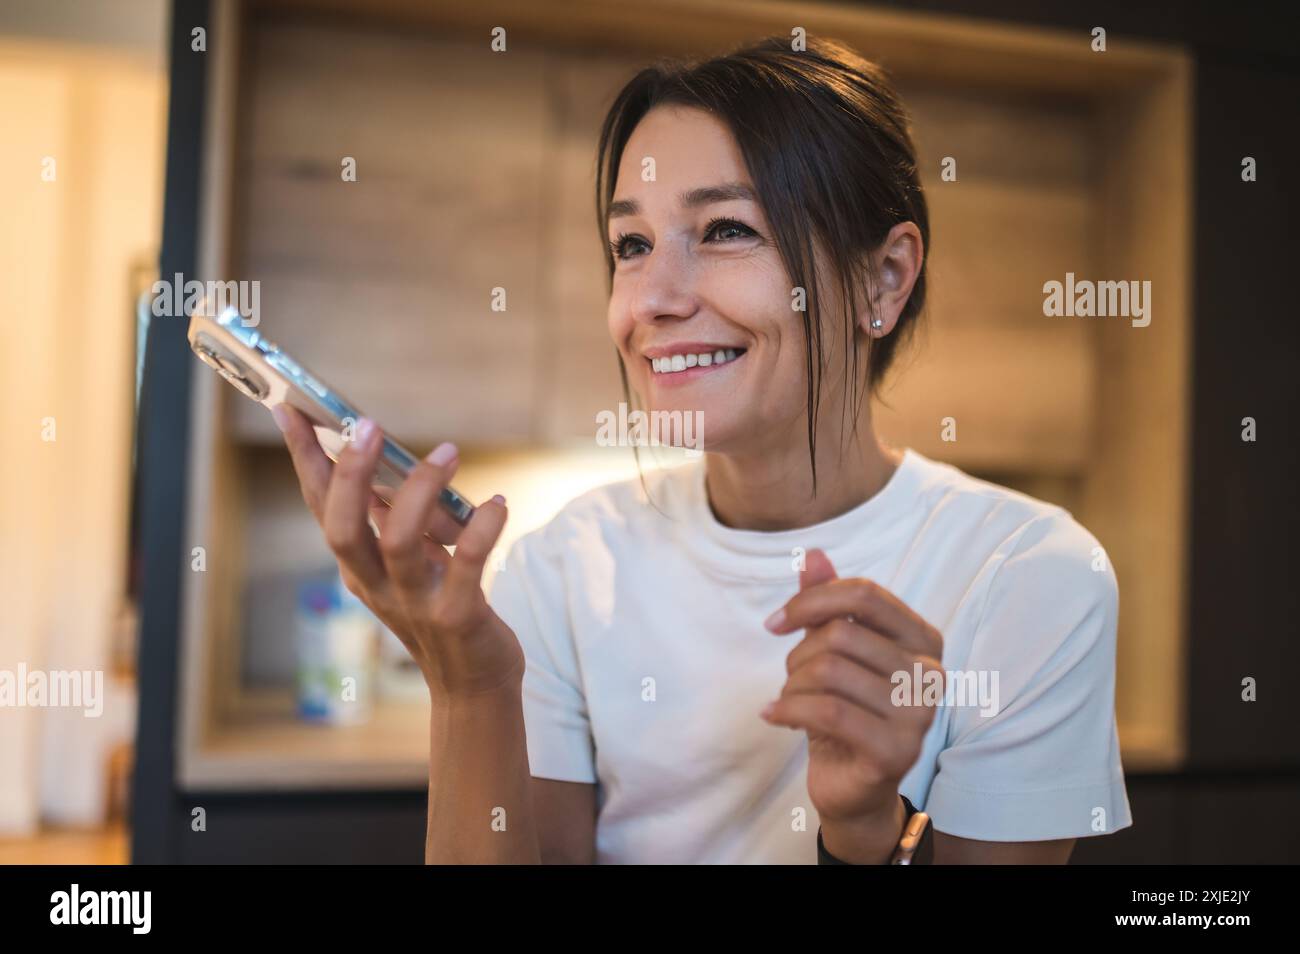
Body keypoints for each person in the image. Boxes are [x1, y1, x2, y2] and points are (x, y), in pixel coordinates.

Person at [272, 36, 1132, 864]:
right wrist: (470, 687)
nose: (652, 298)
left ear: (884, 279)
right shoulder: (564, 567)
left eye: (724, 230)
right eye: (631, 245)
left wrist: (867, 833)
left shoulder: (1029, 574)